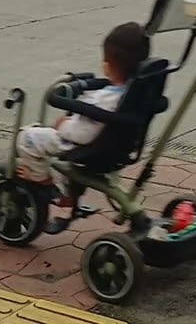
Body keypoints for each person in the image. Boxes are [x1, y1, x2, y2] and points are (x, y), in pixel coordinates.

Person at [15, 22, 150, 205]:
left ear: (107, 66)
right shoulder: (133, 94)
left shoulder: (106, 101)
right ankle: (70, 192)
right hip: (117, 146)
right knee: (57, 139)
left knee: (28, 136)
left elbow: (83, 132)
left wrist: (63, 125)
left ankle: (40, 178)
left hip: (88, 147)